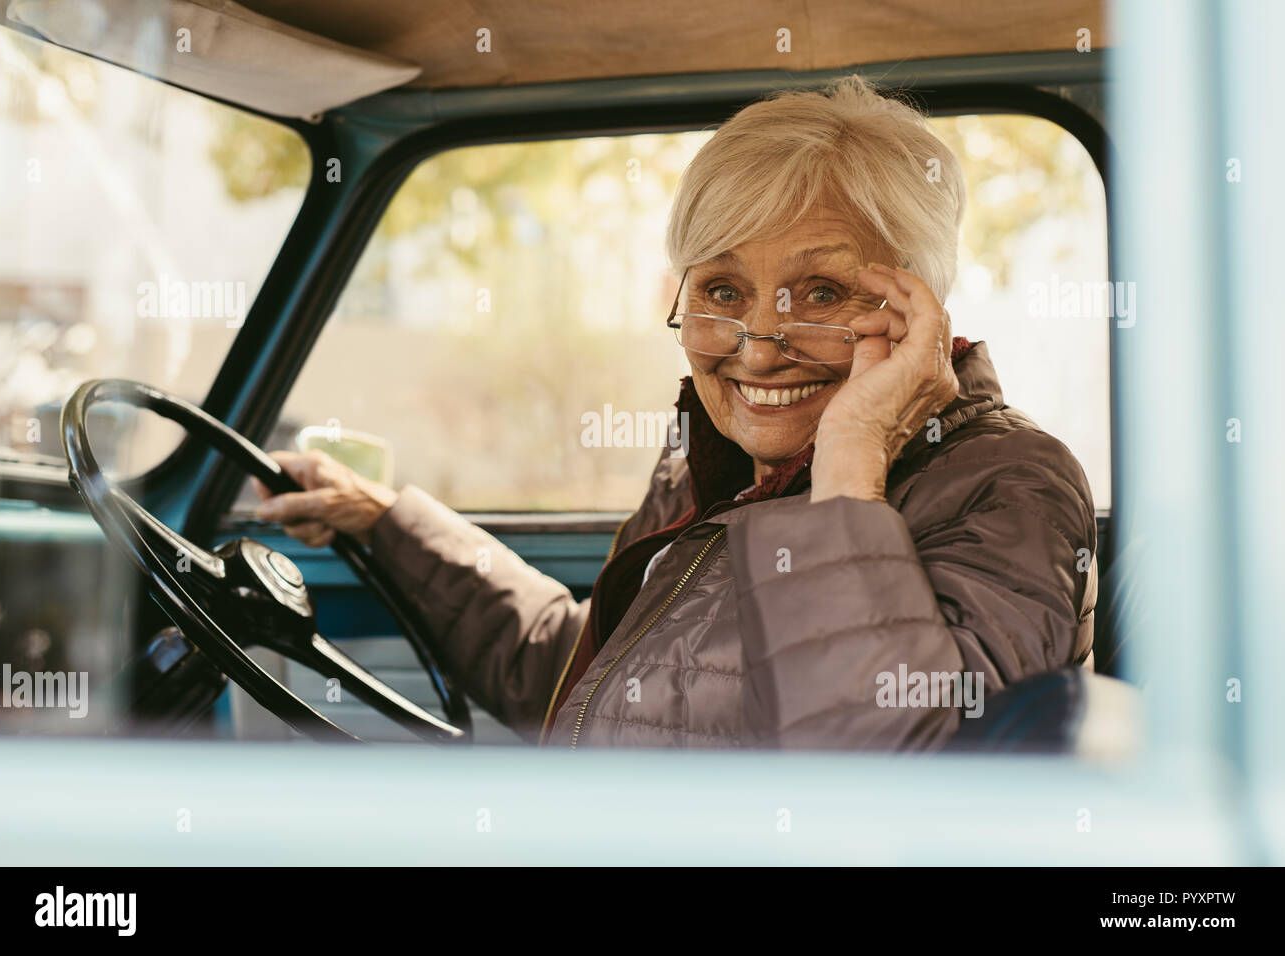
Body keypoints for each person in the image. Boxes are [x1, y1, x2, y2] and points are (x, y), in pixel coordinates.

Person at [254, 77, 1096, 750]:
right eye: (723, 290)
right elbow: (584, 681)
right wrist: (389, 521)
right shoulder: (719, 465)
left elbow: (883, 783)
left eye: (824, 292)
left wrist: (854, 459)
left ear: (920, 309)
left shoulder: (1008, 481)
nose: (759, 346)